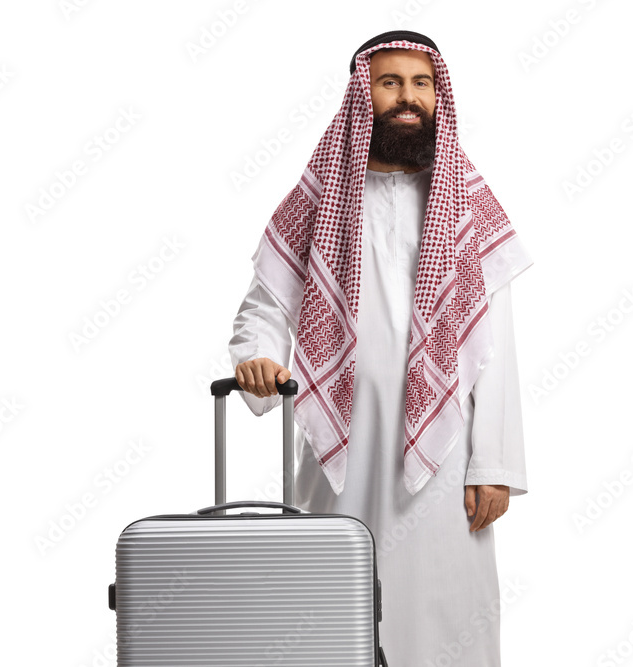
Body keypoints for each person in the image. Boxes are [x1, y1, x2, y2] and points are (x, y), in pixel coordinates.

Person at [228, 30, 532, 666]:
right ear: (361, 94)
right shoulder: (319, 199)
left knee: (448, 616)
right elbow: (263, 308)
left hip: (444, 455)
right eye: (390, 82)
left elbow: (495, 344)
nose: (407, 98)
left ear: (437, 96)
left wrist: (494, 465)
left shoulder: (467, 202)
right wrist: (257, 357)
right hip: (339, 449)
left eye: (421, 84)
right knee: (330, 612)